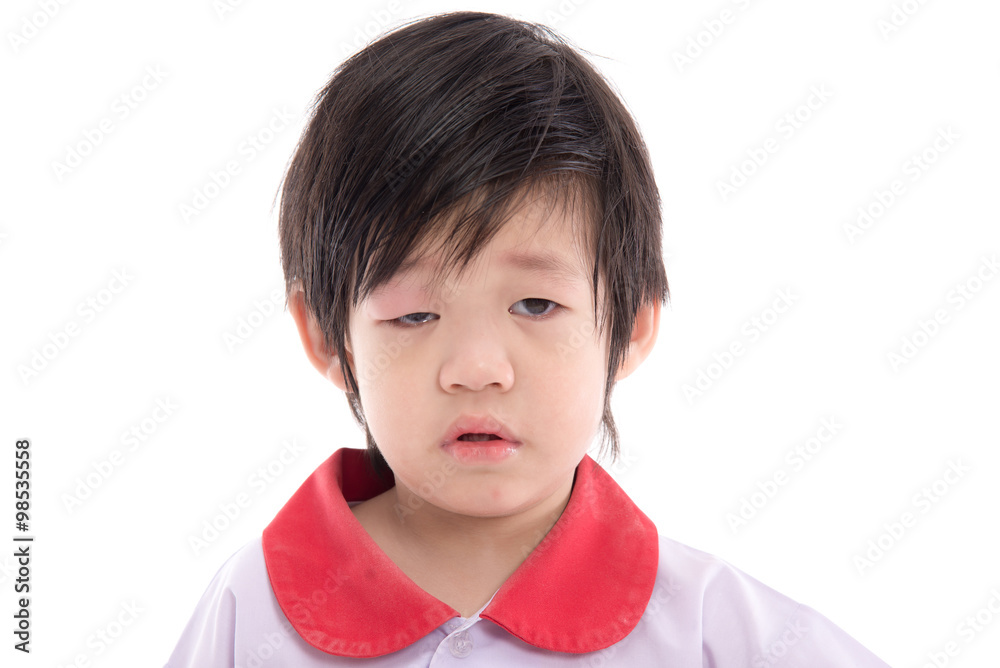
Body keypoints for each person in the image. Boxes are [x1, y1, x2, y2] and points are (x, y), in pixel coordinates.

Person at [166, 11, 890, 666]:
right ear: (326, 336)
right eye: (415, 315)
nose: (478, 369)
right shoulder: (253, 606)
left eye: (537, 304)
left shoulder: (709, 627)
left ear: (632, 326)